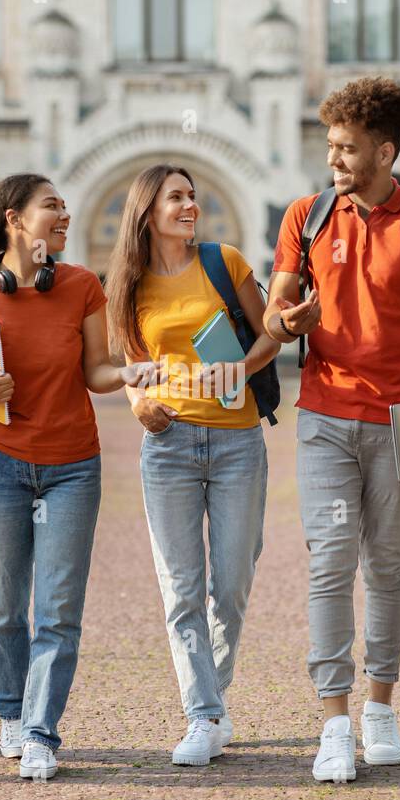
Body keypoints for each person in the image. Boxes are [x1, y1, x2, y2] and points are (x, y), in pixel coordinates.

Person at [263, 77, 400, 782]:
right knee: (329, 563)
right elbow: (274, 311)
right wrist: (289, 322)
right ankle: (333, 722)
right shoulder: (307, 216)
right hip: (323, 415)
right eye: (329, 146)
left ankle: (380, 705)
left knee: (386, 564)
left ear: (385, 151)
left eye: (347, 148)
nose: (334, 159)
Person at [0, 173, 160, 780]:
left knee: (60, 608)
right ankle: (10, 711)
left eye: (66, 206)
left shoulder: (82, 285)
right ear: (14, 219)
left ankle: (41, 731)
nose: (64, 215)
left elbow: (96, 370)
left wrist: (131, 373)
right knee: (5, 604)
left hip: (73, 466)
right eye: (51, 207)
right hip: (0, 464)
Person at [105, 164, 279, 766]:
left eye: (192, 196)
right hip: (170, 445)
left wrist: (241, 369)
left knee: (229, 585)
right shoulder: (128, 284)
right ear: (147, 211)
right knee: (181, 589)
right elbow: (130, 364)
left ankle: (212, 696)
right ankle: (203, 714)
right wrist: (137, 400)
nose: (189, 205)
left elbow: (270, 335)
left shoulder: (223, 262)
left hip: (237, 441)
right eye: (175, 197)